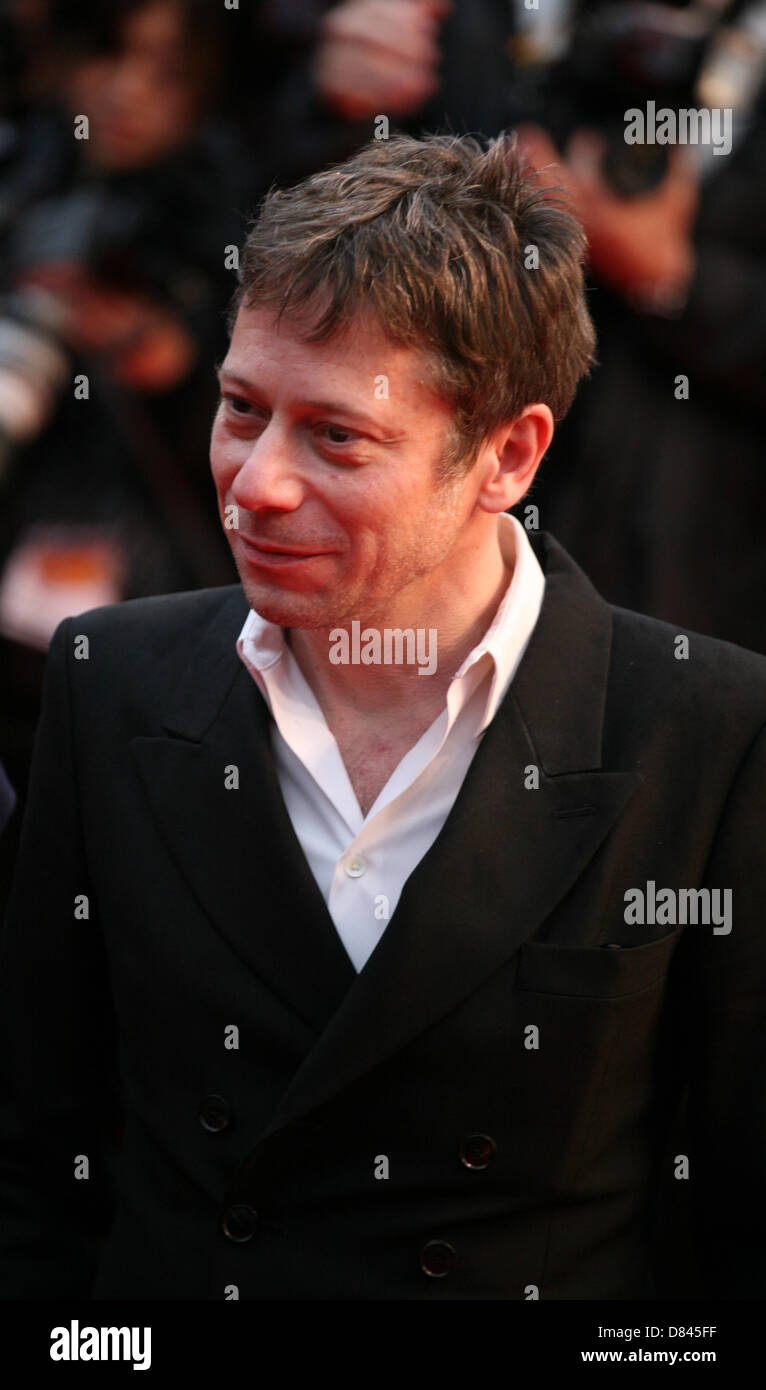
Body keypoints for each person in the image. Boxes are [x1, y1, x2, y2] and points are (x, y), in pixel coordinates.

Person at [0, 131, 764, 1301]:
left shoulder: (703, 725)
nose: (257, 483)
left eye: (336, 435)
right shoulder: (110, 679)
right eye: (241, 408)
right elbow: (42, 1158)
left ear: (505, 454)